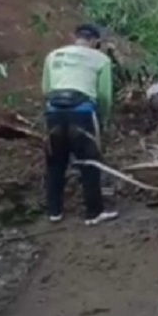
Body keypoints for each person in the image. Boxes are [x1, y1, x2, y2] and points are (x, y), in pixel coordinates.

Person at [41, 23, 118, 225]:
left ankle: (54, 212)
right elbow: (104, 95)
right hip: (82, 113)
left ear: (75, 37)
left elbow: (46, 89)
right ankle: (93, 213)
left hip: (53, 113)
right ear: (95, 41)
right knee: (89, 163)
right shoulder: (101, 59)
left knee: (55, 163)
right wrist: (103, 119)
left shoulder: (53, 56)